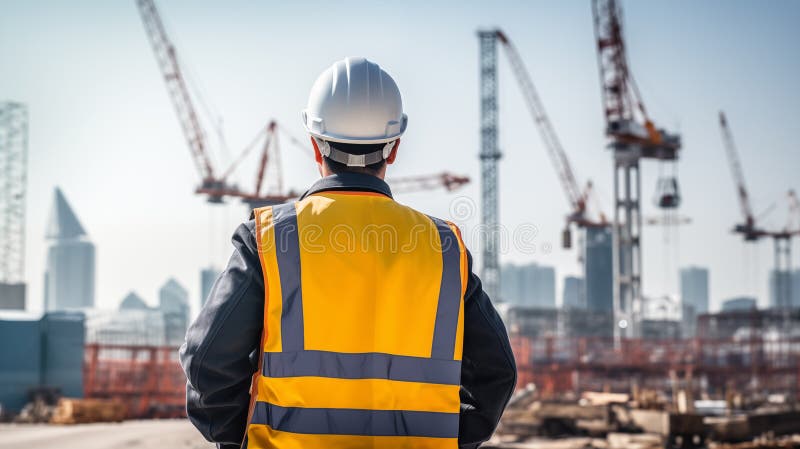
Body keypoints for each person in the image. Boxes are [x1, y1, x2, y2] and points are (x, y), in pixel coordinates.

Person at [180, 56, 516, 449]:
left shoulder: (270, 239)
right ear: (393, 150)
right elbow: (498, 371)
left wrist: (239, 438)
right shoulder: (444, 247)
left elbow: (207, 362)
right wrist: (452, 440)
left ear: (314, 145)